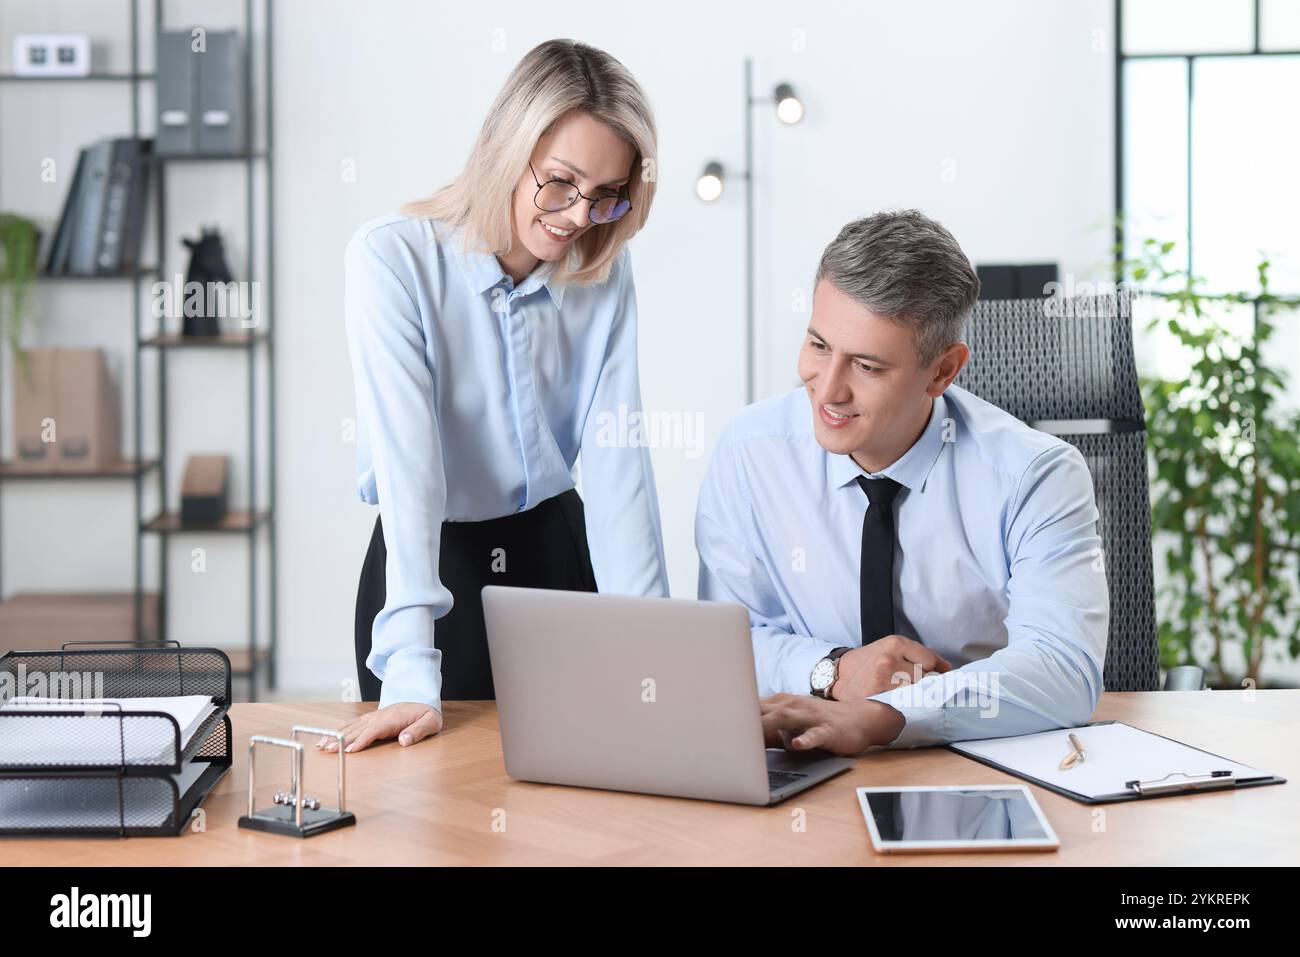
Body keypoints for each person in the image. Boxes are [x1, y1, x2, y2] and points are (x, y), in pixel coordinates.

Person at [338, 39, 668, 752]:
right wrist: (410, 669)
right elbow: (410, 471)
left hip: (554, 553)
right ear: (506, 147)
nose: (580, 216)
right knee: (435, 816)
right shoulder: (392, 260)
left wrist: (656, 659)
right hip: (428, 558)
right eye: (561, 181)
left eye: (607, 194)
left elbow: (618, 470)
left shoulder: (603, 276)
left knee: (584, 802)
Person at [695, 210, 1109, 756]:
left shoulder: (1036, 476)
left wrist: (882, 715)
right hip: (801, 758)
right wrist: (833, 671)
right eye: (819, 346)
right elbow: (723, 644)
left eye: (867, 367)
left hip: (975, 761)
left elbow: (1063, 671)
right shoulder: (750, 453)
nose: (828, 392)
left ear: (942, 371)